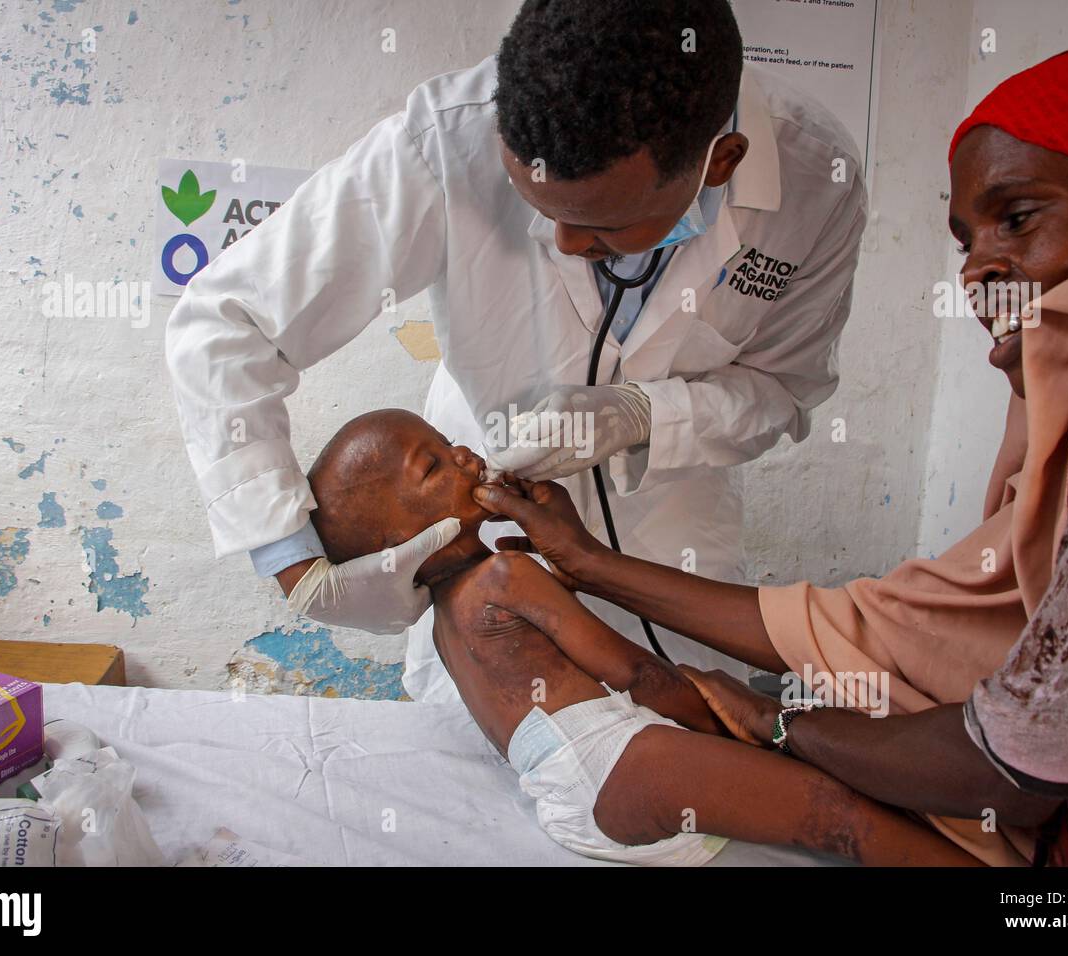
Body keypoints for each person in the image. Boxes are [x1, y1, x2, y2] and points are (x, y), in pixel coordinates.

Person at [472, 33, 1068, 865]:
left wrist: (782, 724)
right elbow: (895, 627)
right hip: (1059, 812)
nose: (980, 274)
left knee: (665, 770)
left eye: (1018, 217)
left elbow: (1012, 763)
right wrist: (588, 563)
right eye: (965, 244)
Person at [163, 0, 867, 700]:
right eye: (538, 207)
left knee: (679, 731)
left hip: (671, 531)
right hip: (479, 552)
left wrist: (640, 415)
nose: (561, 244)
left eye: (600, 224)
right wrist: (295, 564)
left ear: (721, 163)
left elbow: (782, 387)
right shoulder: (446, 140)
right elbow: (225, 322)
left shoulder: (816, 182)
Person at [302, 408, 978, 866]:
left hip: (571, 801)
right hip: (622, 768)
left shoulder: (441, 622)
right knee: (836, 812)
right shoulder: (508, 574)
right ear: (400, 541)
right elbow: (632, 672)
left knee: (824, 791)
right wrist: (711, 717)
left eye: (445, 442)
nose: (462, 454)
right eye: (432, 468)